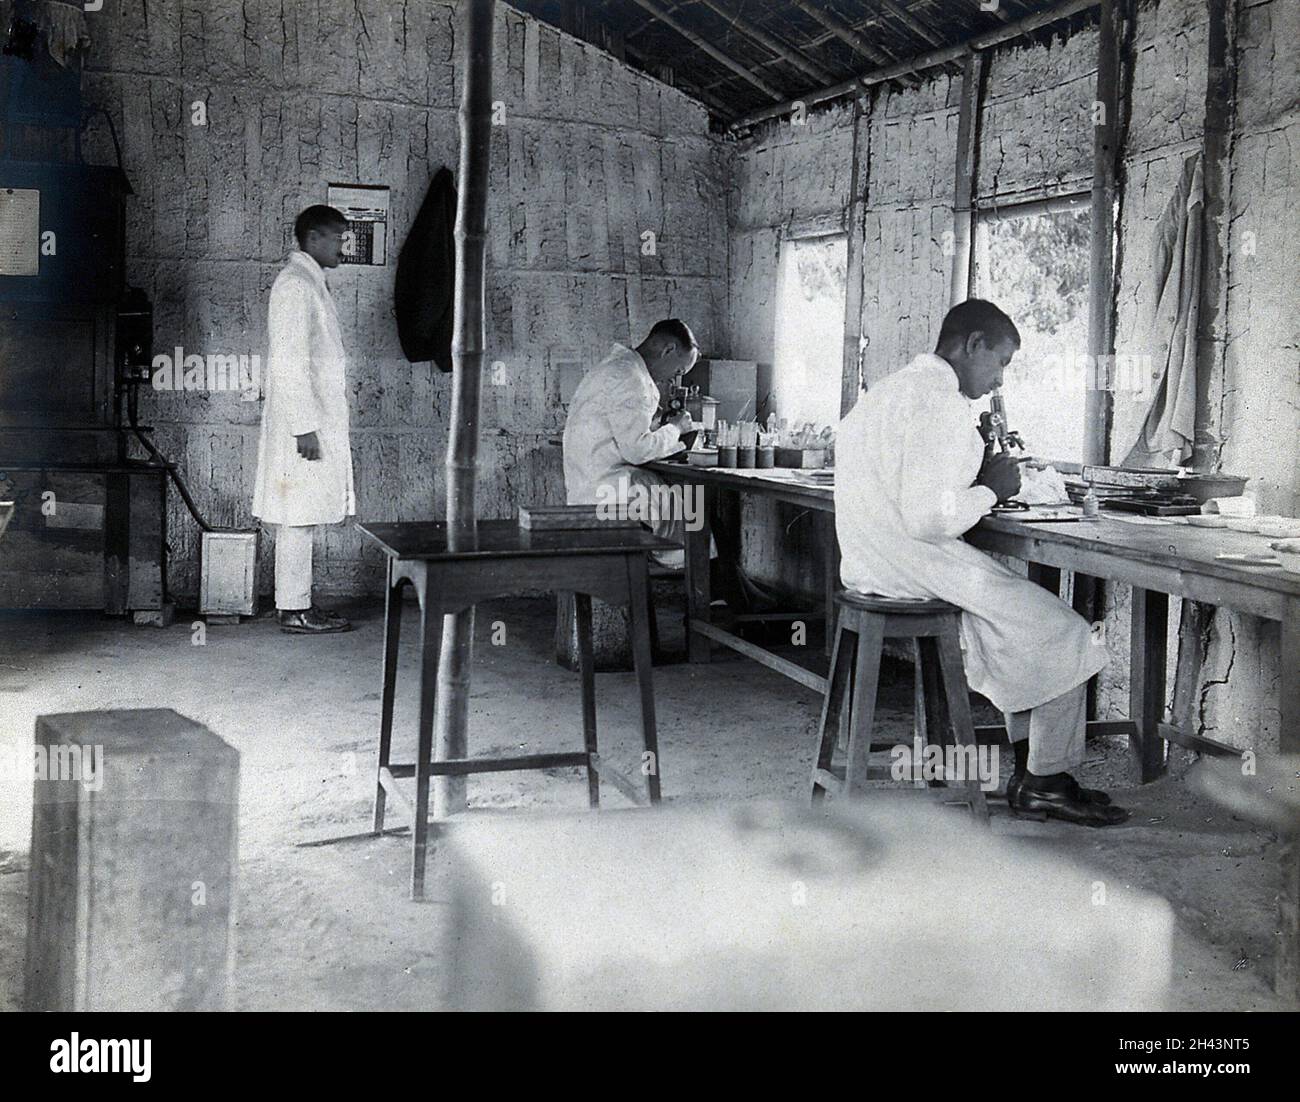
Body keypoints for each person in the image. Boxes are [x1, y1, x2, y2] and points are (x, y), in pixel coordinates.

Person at [835, 299, 1127, 826]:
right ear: (972, 344)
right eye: (1000, 363)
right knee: (1067, 632)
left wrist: (976, 481)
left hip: (869, 562)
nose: (997, 381)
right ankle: (1045, 781)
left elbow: (913, 491)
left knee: (1014, 627)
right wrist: (991, 489)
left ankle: (1032, 775)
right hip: (911, 563)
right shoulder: (940, 403)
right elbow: (928, 519)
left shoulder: (888, 391)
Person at [252, 205, 356, 634]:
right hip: (304, 424)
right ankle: (294, 609)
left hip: (312, 419)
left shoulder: (309, 283)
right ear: (313, 239)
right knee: (297, 512)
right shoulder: (296, 287)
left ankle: (298, 605)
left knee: (303, 511)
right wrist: (304, 427)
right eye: (339, 239)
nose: (344, 248)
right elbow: (289, 364)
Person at [563, 320, 698, 568]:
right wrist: (676, 429)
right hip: (610, 494)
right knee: (698, 510)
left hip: (588, 487)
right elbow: (637, 450)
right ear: (667, 350)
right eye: (678, 371)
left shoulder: (613, 368)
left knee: (692, 508)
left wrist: (659, 429)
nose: (673, 381)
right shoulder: (631, 378)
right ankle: (716, 595)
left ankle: (733, 591)